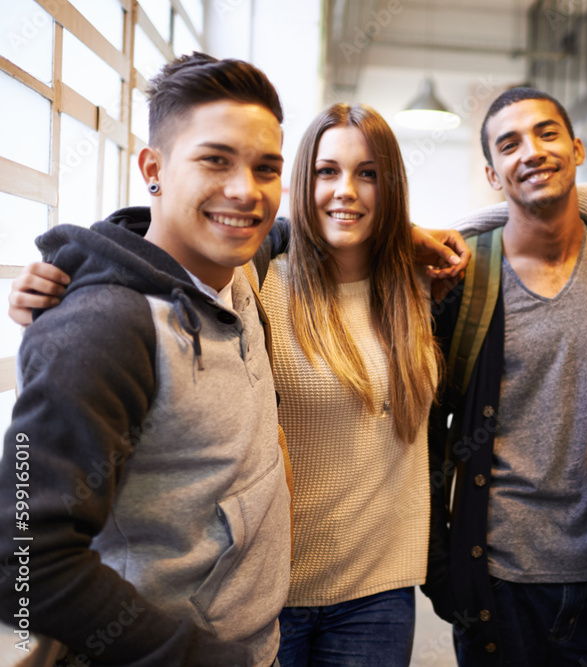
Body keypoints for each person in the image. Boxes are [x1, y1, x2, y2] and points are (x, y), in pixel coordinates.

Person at [0, 52, 292, 666]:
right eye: (215, 160)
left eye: (266, 168)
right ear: (152, 168)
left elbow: (307, 227)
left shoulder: (239, 274)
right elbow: (22, 560)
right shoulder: (104, 327)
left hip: (259, 642)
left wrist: (418, 237)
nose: (245, 191)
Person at [423, 87, 587, 665]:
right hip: (500, 578)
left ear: (578, 149)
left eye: (547, 133)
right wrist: (444, 570)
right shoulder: (463, 281)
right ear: (493, 173)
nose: (531, 152)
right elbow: (424, 433)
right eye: (510, 144)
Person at [265, 103, 439, 666]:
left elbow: (527, 217)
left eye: (368, 174)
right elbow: (166, 242)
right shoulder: (259, 281)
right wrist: (76, 273)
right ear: (302, 181)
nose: (348, 191)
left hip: (379, 592)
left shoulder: (419, 287)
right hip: (271, 595)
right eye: (327, 171)